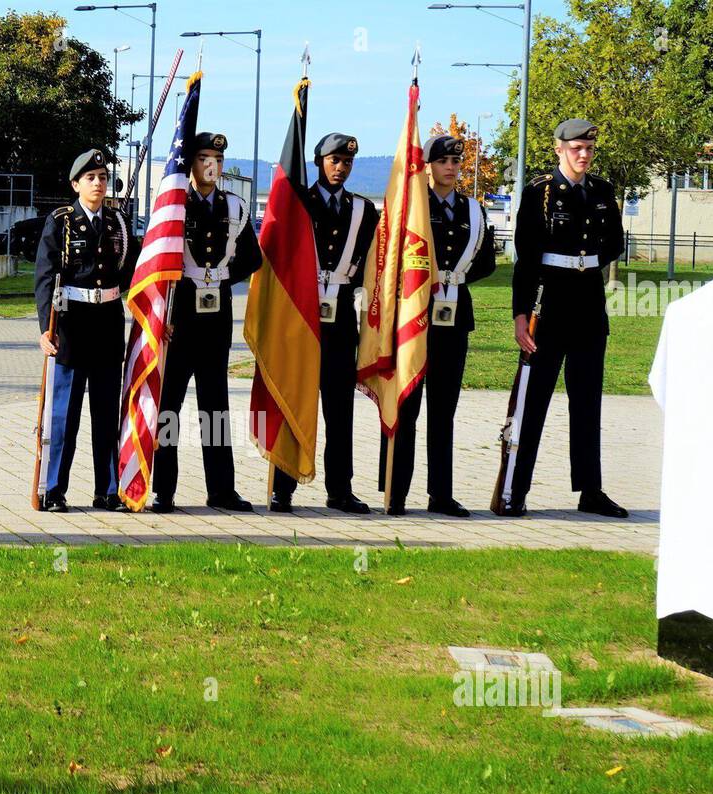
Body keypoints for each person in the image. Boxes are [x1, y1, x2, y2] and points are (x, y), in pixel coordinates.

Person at [504, 117, 627, 518]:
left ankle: (591, 490)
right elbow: (525, 259)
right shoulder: (540, 193)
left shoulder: (604, 192)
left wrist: (584, 262)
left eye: (589, 148)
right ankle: (515, 490)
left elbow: (614, 245)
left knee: (588, 400)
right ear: (559, 148)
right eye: (576, 148)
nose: (584, 155)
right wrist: (521, 313)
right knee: (534, 398)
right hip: (549, 306)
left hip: (588, 305)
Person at [378, 133, 496, 517]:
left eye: (456, 162)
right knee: (407, 405)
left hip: (454, 317)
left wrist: (452, 276)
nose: (451, 167)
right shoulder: (411, 207)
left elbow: (487, 261)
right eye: (443, 161)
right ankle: (395, 492)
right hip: (415, 315)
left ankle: (440, 494)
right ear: (426, 166)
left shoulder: (472, 210)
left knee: (444, 409)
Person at [151, 131, 263, 513]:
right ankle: (162, 489)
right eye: (202, 157)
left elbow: (252, 257)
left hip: (216, 317)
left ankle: (221, 490)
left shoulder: (235, 207)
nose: (211, 164)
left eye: (216, 157)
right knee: (169, 405)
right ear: (190, 163)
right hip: (180, 314)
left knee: (215, 406)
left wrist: (220, 277)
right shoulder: (175, 205)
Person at [269, 132, 378, 515]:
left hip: (340, 323)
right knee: (294, 403)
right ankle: (282, 488)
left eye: (347, 162)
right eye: (334, 160)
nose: (340, 167)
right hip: (302, 318)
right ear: (317, 162)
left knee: (338, 410)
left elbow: (368, 266)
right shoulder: (298, 203)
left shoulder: (364, 211)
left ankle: (340, 489)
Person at [34, 148, 138, 512]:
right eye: (91, 178)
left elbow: (133, 275)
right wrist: (46, 326)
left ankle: (108, 490)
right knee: (64, 414)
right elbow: (45, 277)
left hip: (108, 323)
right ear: (76, 183)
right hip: (72, 326)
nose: (98, 183)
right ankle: (55, 489)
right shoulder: (61, 222)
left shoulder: (118, 224)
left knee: (107, 413)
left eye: (104, 177)